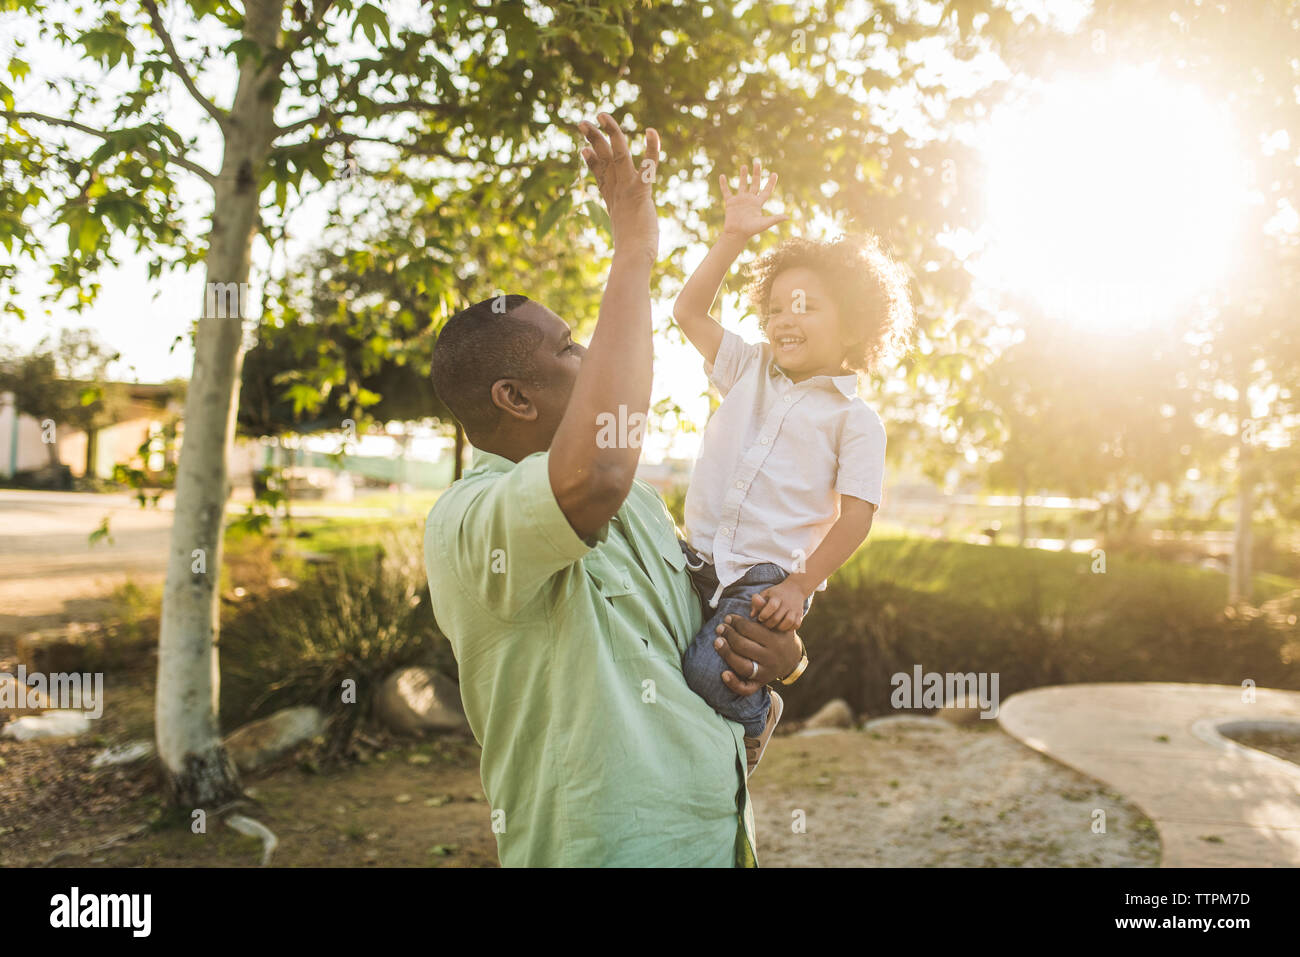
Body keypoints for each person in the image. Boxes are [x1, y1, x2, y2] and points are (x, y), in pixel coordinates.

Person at [423, 115, 804, 867]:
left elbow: (703, 630)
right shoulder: (465, 522)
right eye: (568, 346)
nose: (592, 351)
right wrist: (635, 247)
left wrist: (777, 653)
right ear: (515, 398)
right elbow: (593, 471)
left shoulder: (632, 501)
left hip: (717, 841)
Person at [671, 160, 914, 769]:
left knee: (706, 672)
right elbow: (689, 313)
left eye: (804, 306)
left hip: (763, 578)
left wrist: (801, 585)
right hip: (693, 553)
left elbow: (856, 518)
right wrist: (733, 237)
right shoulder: (746, 368)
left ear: (854, 323)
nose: (784, 319)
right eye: (776, 308)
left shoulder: (857, 421)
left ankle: (759, 716)